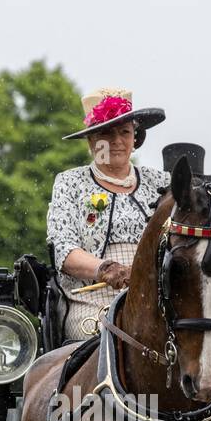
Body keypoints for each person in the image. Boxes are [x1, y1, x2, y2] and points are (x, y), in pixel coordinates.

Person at [46, 88, 169, 342]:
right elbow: (64, 250)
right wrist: (106, 269)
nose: (116, 141)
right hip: (90, 299)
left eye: (124, 132)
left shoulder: (161, 181)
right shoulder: (70, 182)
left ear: (136, 137)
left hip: (155, 301)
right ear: (91, 141)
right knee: (110, 340)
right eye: (105, 133)